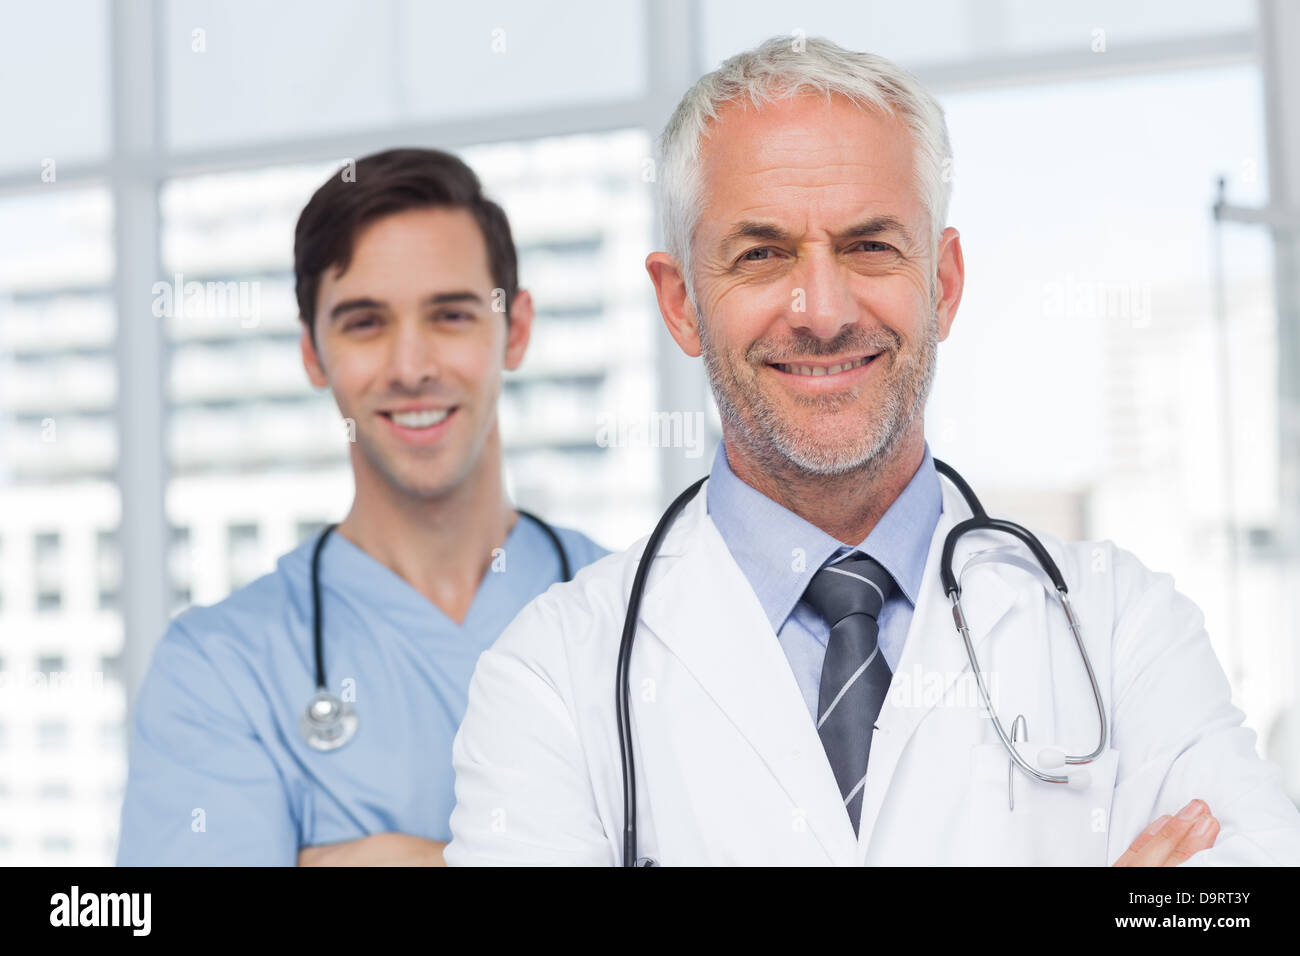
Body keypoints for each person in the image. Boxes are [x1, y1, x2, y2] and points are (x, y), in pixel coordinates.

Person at [444, 37, 1300, 866]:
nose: (821, 309)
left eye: (870, 247)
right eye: (760, 253)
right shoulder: (552, 678)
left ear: (945, 283)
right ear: (680, 303)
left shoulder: (1120, 626)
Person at [116, 148, 606, 866]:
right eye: (365, 323)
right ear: (313, 353)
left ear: (517, 330)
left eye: (450, 314)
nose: (411, 367)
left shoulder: (639, 616)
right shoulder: (219, 668)